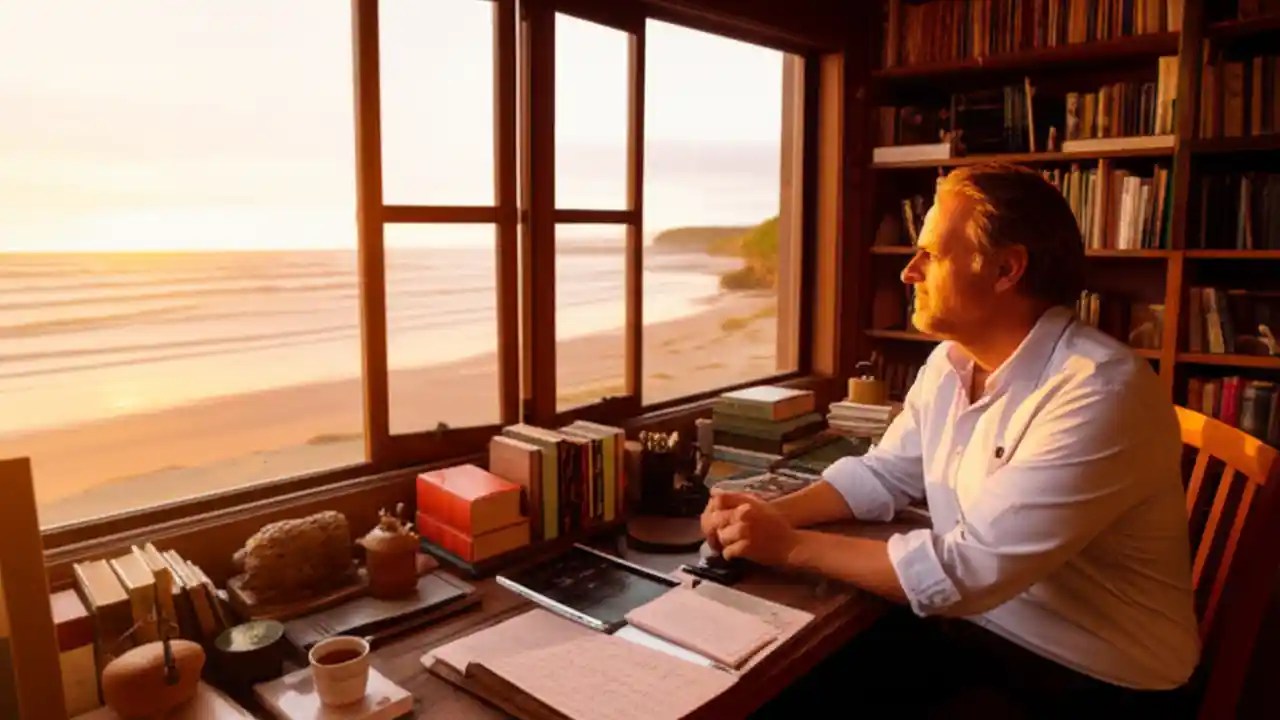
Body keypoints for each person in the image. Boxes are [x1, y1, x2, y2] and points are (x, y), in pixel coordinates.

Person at [702, 163, 1201, 717]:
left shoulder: (1100, 390)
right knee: (782, 687)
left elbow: (967, 573)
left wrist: (790, 548)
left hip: (1094, 675)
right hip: (982, 631)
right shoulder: (951, 360)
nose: (909, 272)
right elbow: (886, 472)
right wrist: (770, 513)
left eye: (932, 254)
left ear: (1007, 268)